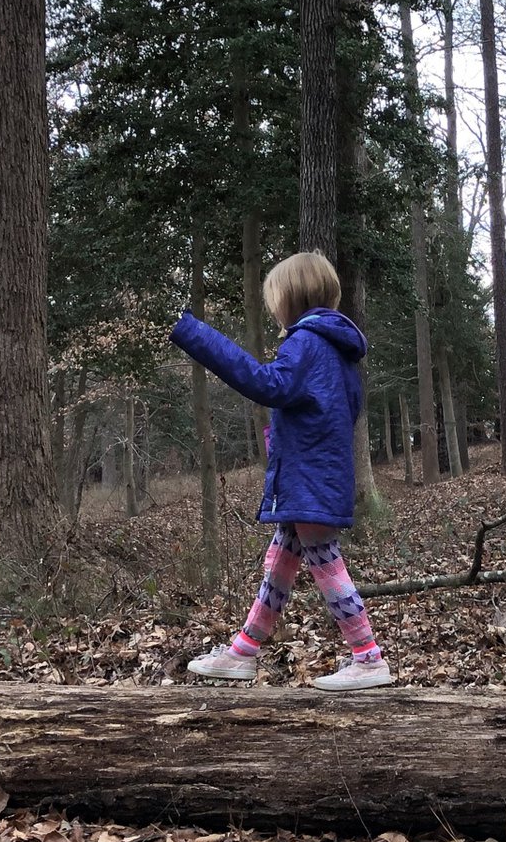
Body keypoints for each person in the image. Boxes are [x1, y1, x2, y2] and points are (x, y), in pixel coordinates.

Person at [167, 251, 393, 691]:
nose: (272, 309)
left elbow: (269, 385)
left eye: (274, 299)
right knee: (280, 562)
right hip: (313, 475)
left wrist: (194, 333)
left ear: (289, 297)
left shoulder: (306, 343)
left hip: (309, 478)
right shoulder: (337, 351)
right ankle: (243, 650)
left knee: (325, 563)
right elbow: (324, 412)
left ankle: (368, 657)